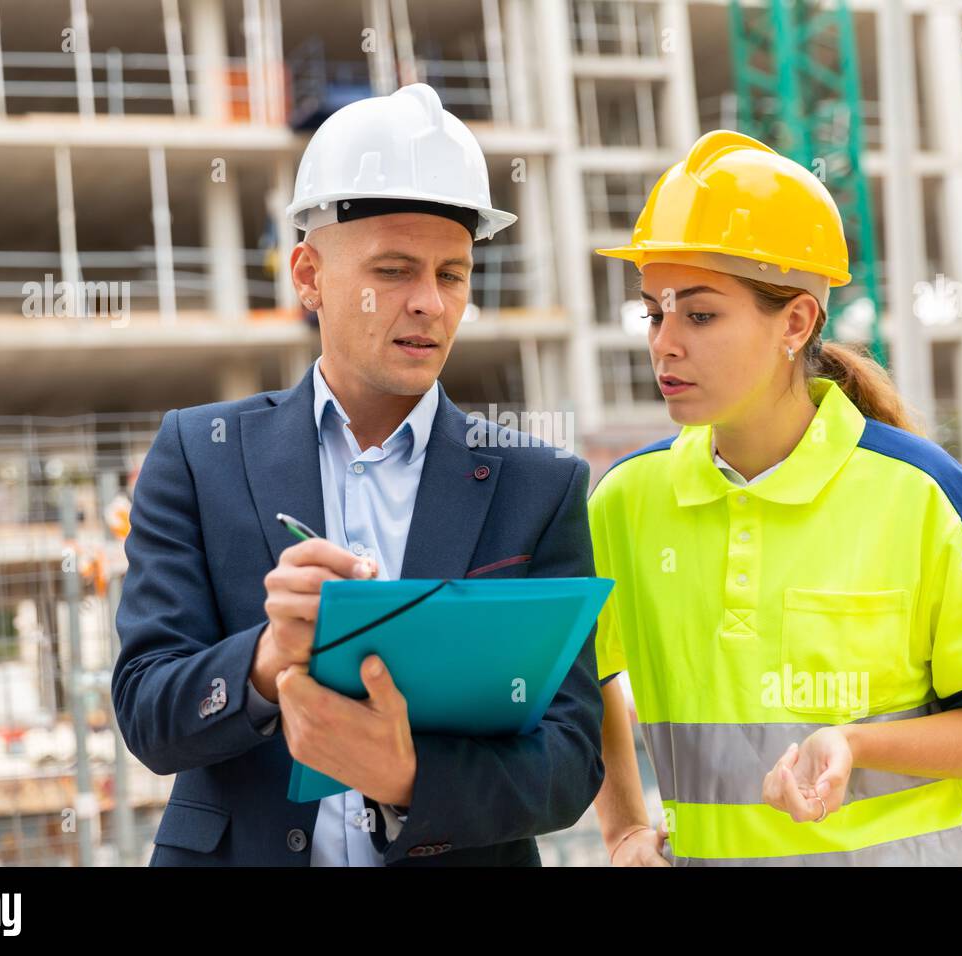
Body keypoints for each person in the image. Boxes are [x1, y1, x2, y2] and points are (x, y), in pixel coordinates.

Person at [112, 84, 604, 866]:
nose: (429, 305)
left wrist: (408, 776)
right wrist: (267, 661)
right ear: (309, 276)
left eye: (451, 275)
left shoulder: (538, 486)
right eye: (395, 270)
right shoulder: (198, 455)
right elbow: (147, 709)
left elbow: (572, 760)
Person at [588, 130, 962, 866]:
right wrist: (622, 826)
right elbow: (578, 681)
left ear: (796, 322)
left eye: (701, 314)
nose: (665, 343)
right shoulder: (625, 501)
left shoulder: (922, 494)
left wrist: (855, 743)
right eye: (655, 312)